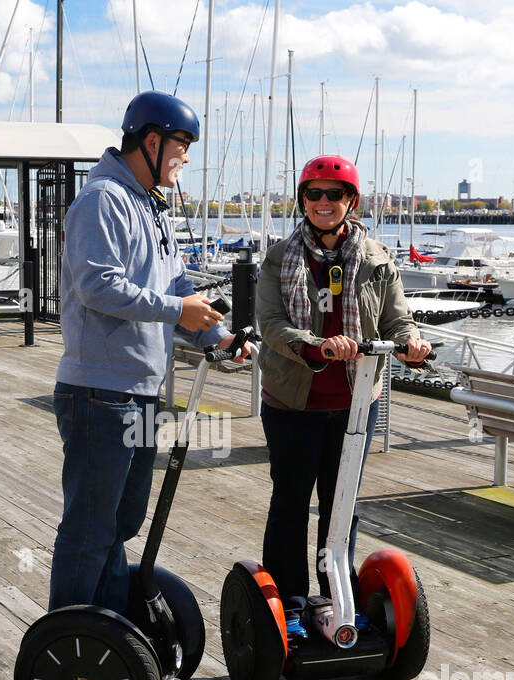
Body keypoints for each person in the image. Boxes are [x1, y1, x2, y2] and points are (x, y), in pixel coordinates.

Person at [49, 91, 242, 614]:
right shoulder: (102, 200)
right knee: (90, 527)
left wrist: (214, 338)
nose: (185, 156)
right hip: (99, 393)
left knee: (120, 523)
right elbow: (97, 286)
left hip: (141, 391)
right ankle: (67, 644)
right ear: (151, 141)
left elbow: (176, 283)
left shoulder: (149, 206)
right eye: (181, 144)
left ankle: (106, 627)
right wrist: (179, 311)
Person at [255, 154, 432, 603]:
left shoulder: (377, 259)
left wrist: (411, 343)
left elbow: (398, 319)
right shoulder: (278, 259)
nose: (323, 202)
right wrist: (314, 345)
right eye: (314, 194)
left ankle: (337, 593)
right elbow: (271, 324)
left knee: (342, 506)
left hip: (356, 401)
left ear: (351, 201)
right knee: (291, 503)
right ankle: (290, 601)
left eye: (335, 194)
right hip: (294, 402)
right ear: (303, 200)